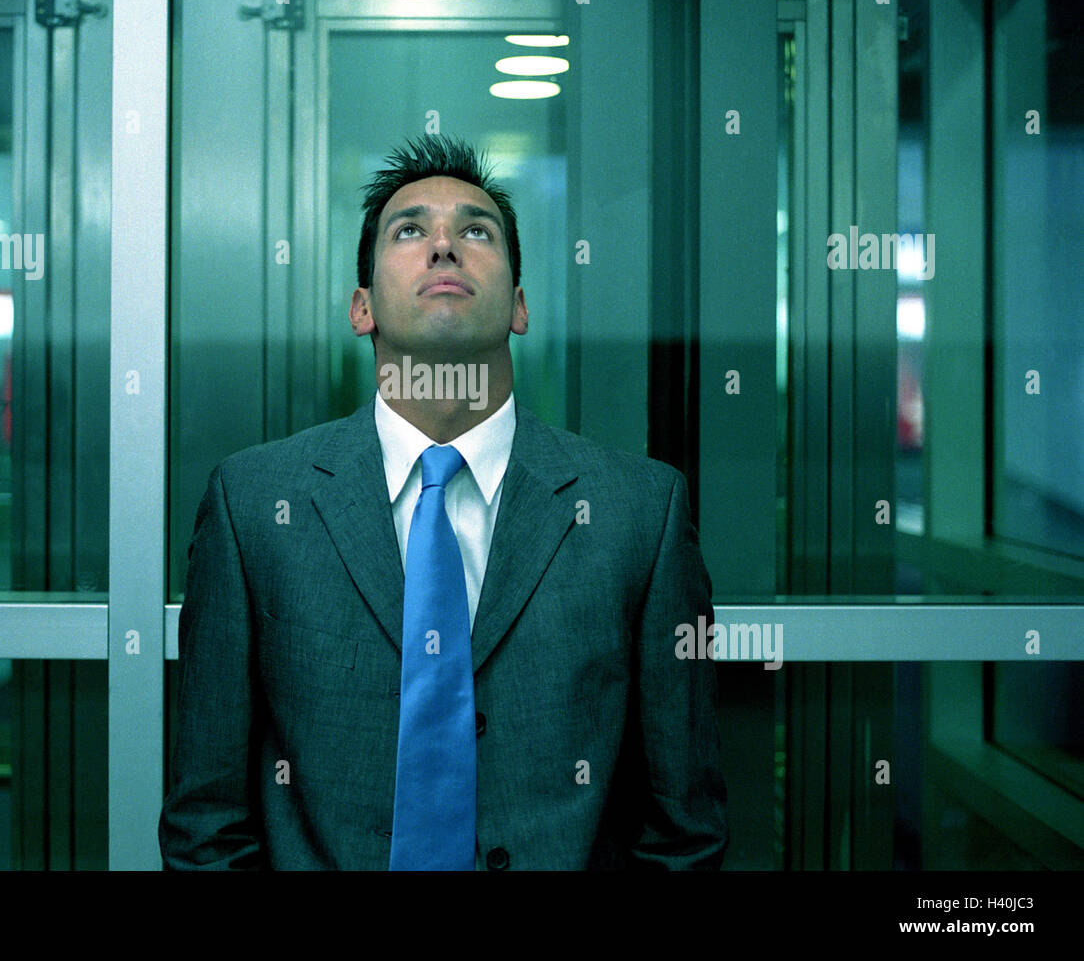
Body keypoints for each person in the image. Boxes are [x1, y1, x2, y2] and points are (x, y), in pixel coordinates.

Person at [159, 133, 727, 870]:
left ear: (520, 306)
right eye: (410, 230)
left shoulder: (639, 512)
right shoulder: (256, 502)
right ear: (361, 307)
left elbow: (684, 828)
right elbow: (206, 821)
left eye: (476, 231)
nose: (444, 247)